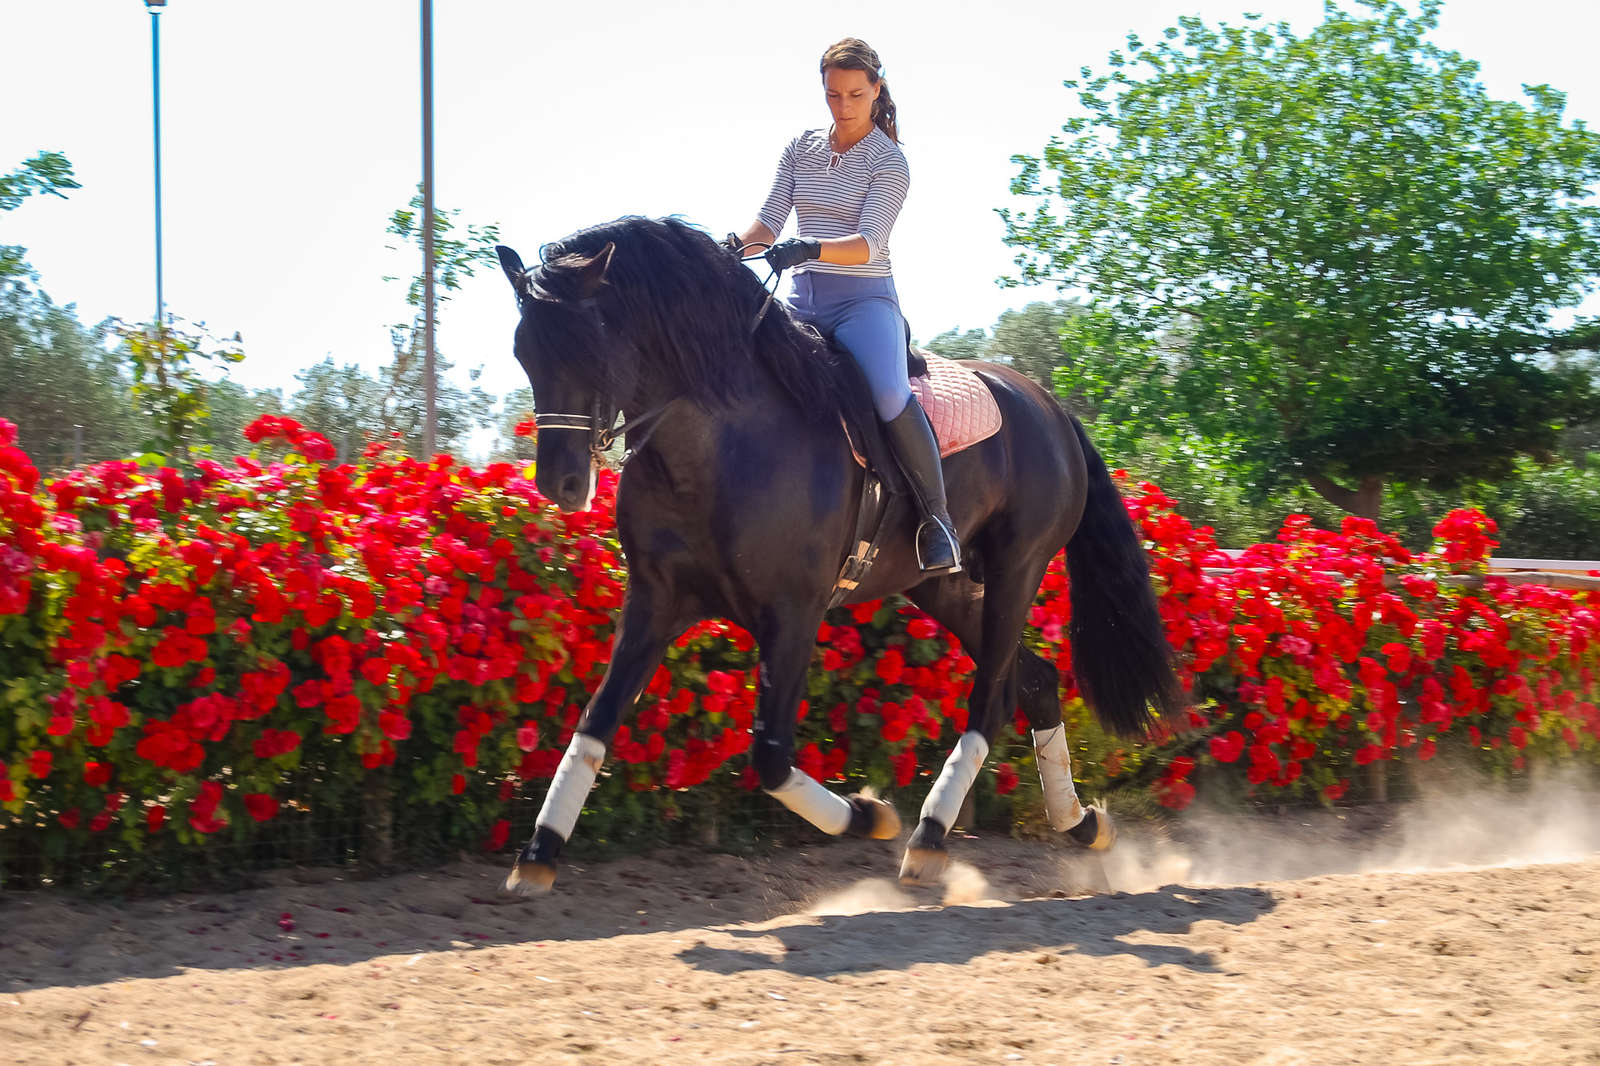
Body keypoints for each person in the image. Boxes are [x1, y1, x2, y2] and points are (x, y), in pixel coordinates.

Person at [726, 37, 961, 576]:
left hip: (863, 302)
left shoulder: (889, 161)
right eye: (833, 94)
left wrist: (810, 248)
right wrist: (730, 247)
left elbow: (870, 244)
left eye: (855, 94)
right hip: (800, 302)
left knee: (888, 392)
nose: (844, 105)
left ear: (877, 90)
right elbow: (767, 225)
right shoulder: (800, 148)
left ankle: (937, 520)